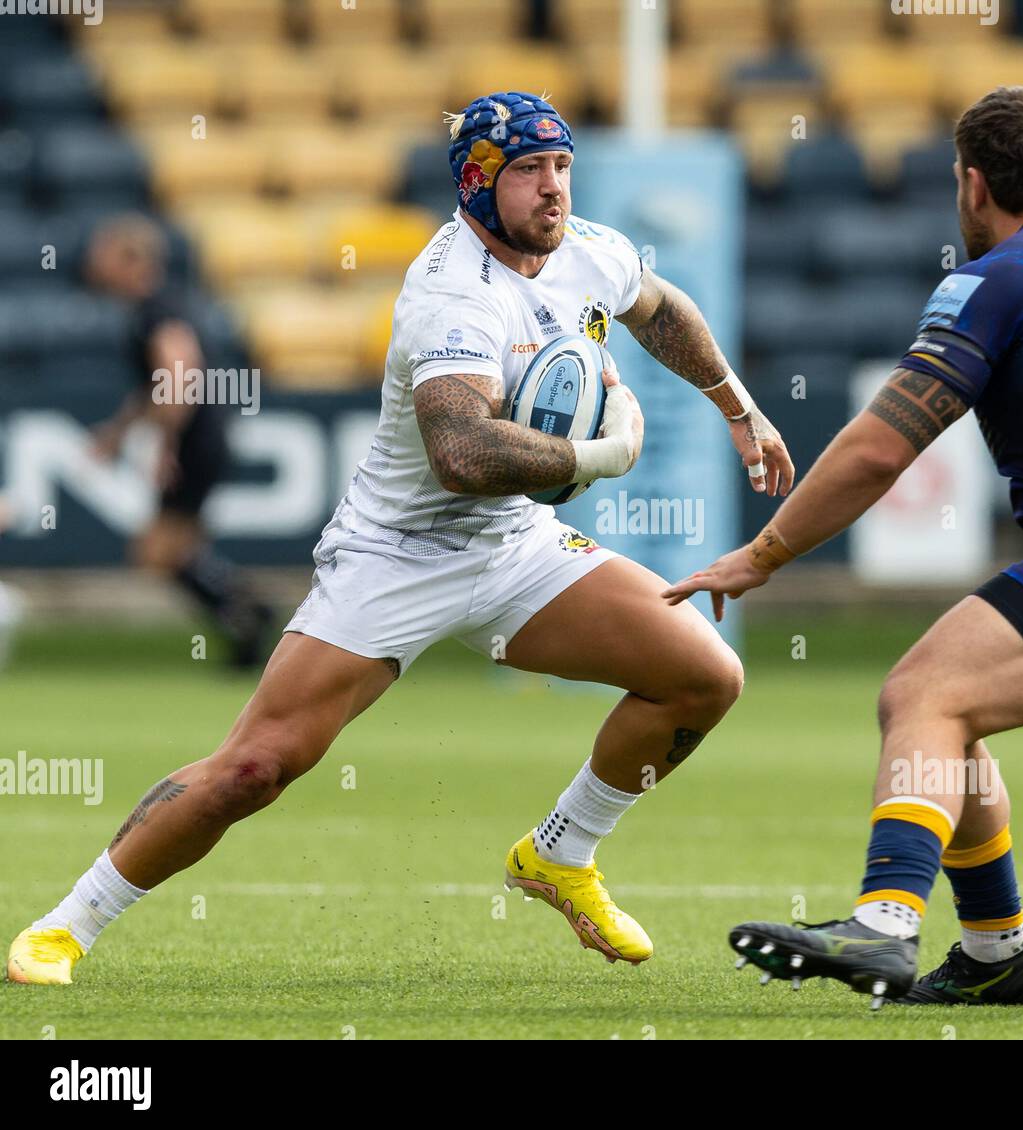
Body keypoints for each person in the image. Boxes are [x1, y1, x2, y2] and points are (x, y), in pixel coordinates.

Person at [7, 92, 794, 985]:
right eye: (530, 171)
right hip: (397, 554)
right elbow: (459, 453)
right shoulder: (450, 292)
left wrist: (740, 407)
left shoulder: (589, 251)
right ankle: (64, 927)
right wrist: (595, 453)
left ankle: (559, 854)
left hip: (512, 544)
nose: (554, 190)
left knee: (703, 674)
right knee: (256, 768)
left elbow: (660, 308)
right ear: (477, 181)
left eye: (563, 167)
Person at [664, 86, 1023, 1007]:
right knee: (951, 707)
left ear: (974, 185)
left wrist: (764, 553)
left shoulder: (1008, 273)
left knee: (922, 695)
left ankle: (886, 924)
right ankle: (996, 953)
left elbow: (878, 448)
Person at [84, 214, 273, 668]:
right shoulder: (164, 304)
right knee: (177, 550)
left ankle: (249, 612)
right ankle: (247, 616)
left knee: (156, 552)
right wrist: (117, 433)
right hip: (204, 434)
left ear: (131, 258)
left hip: (194, 438)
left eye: (104, 254)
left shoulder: (156, 308)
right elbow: (158, 383)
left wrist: (165, 444)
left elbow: (179, 371)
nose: (93, 264)